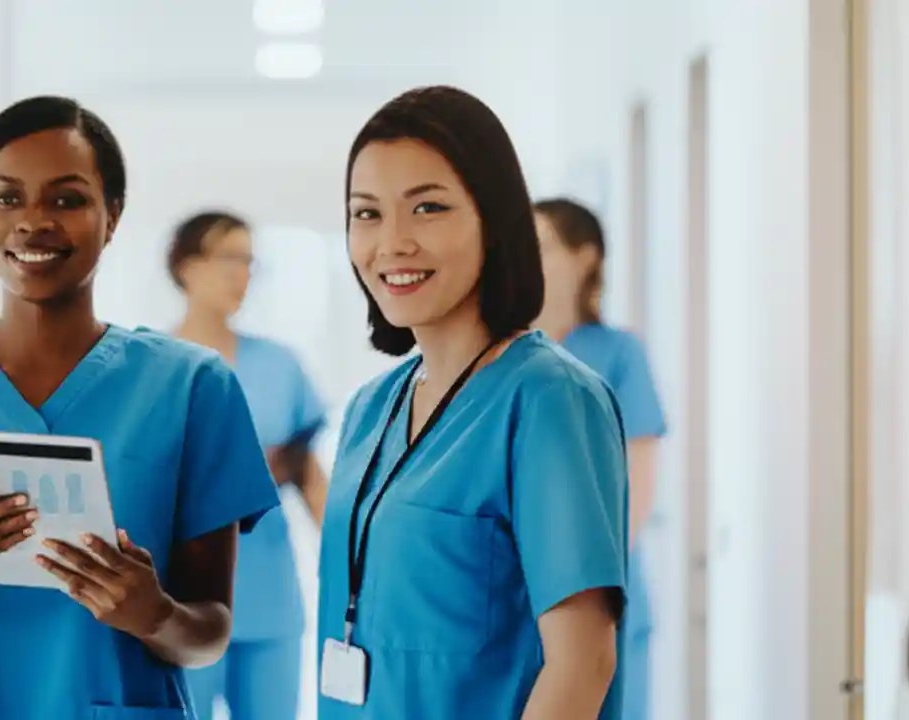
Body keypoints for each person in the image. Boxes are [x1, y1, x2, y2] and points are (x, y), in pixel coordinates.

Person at [0, 95, 279, 720]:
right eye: (6, 197)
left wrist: (153, 613)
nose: (32, 221)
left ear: (113, 215)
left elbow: (208, 634)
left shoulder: (191, 387)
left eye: (67, 199)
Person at [317, 85, 630, 719]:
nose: (393, 242)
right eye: (367, 213)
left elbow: (582, 663)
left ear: (494, 221)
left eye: (427, 208)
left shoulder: (548, 401)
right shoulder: (370, 410)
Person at [167, 210, 329, 720]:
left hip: (269, 595)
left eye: (250, 263)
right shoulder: (150, 366)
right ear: (186, 266)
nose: (242, 275)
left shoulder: (280, 365)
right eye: (230, 258)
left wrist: (357, 565)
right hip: (178, 595)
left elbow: (307, 475)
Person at [532, 198, 668, 720]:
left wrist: (582, 577)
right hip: (522, 589)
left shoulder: (618, 354)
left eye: (542, 245)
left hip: (600, 583)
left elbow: (639, 483)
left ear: (585, 258)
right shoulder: (503, 353)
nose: (527, 257)